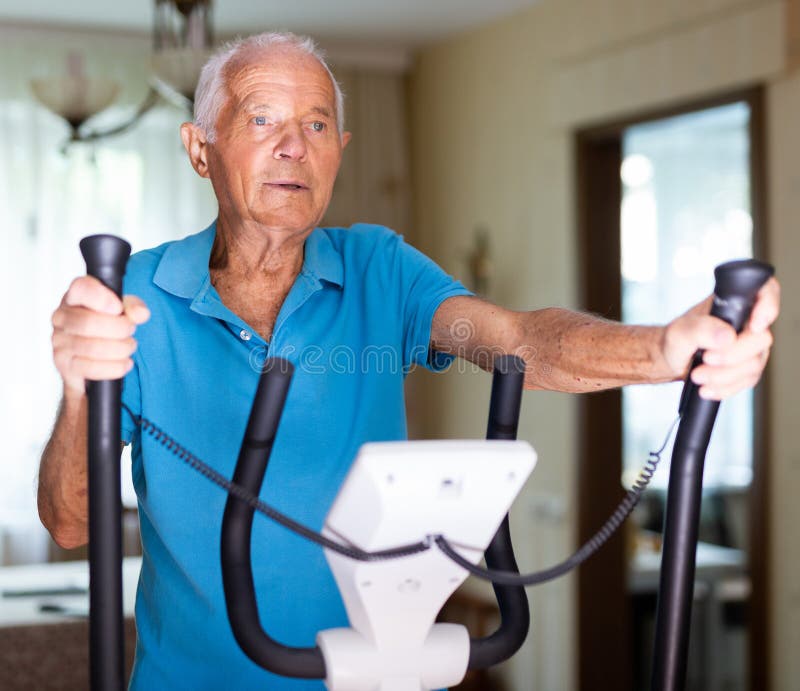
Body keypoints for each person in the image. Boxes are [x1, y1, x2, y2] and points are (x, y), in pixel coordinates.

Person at [38, 31, 780, 690]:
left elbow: (522, 342)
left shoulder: (379, 268)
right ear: (200, 148)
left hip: (371, 679)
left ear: (339, 150)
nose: (294, 146)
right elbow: (70, 524)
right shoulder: (134, 295)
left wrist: (663, 349)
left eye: (316, 125)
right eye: (262, 119)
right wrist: (78, 390)